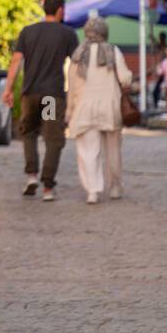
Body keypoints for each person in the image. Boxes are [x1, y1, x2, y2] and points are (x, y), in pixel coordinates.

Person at [2, 0, 80, 201]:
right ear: (60, 10)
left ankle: (31, 176)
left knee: (28, 134)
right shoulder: (67, 34)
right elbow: (77, 65)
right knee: (53, 138)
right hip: (51, 96)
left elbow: (16, 62)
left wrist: (8, 89)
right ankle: (47, 186)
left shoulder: (28, 32)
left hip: (30, 95)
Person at [66, 17, 131, 204]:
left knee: (88, 151)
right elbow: (125, 78)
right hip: (109, 107)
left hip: (84, 109)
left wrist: (69, 111)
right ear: (105, 32)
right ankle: (115, 187)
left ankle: (92, 191)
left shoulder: (78, 55)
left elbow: (72, 86)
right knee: (113, 150)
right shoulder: (113, 51)